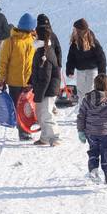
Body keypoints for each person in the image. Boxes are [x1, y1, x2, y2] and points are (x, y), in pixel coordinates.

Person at [0, 13, 37, 142]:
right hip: (15, 82)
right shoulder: (10, 41)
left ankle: (26, 128)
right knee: (19, 107)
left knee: (29, 107)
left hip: (29, 81)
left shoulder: (31, 40)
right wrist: (1, 79)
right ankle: (23, 132)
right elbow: (3, 62)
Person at [29, 16, 63, 146]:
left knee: (47, 114)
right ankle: (44, 137)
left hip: (48, 89)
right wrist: (30, 81)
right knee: (40, 113)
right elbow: (37, 71)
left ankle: (55, 137)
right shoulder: (41, 50)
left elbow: (45, 77)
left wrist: (38, 95)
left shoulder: (45, 54)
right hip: (44, 87)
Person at [65, 18, 107, 99]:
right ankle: (82, 110)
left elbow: (101, 58)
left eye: (75, 30)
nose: (74, 31)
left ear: (80, 31)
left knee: (90, 92)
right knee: (80, 92)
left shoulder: (93, 42)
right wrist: (70, 70)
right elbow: (71, 58)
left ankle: (90, 110)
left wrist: (102, 74)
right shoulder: (75, 43)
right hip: (80, 71)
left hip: (91, 71)